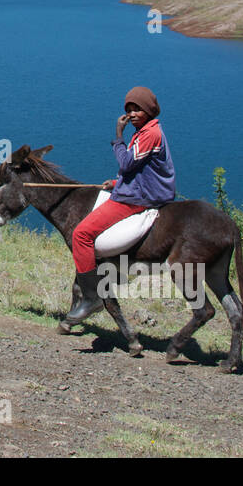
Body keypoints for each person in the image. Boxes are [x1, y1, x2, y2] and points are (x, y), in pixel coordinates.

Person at [62, 85, 176, 327]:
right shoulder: (148, 131)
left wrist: (117, 135)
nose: (133, 114)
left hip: (139, 198)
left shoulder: (148, 135)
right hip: (141, 190)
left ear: (149, 110)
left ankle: (91, 298)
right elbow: (141, 169)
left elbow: (126, 163)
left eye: (138, 109)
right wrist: (116, 183)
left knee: (81, 235)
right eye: (129, 109)